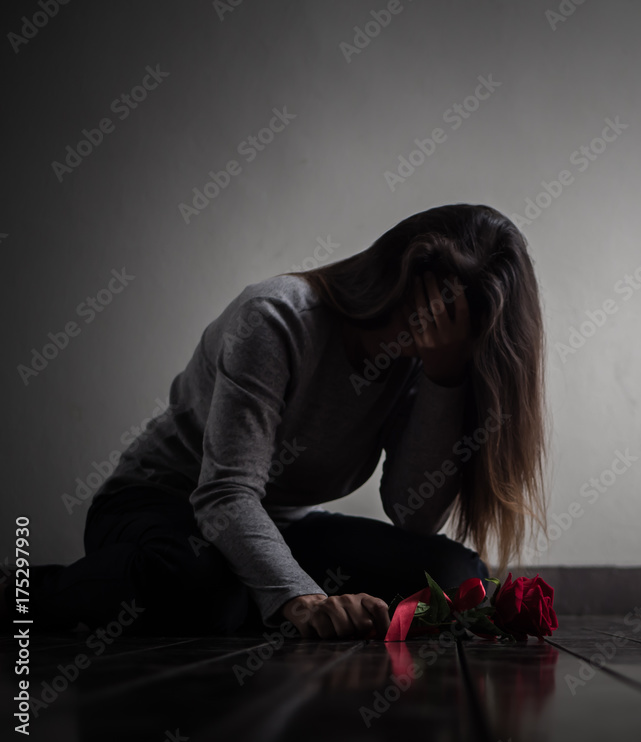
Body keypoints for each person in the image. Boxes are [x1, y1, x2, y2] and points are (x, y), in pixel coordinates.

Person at [3, 204, 548, 639]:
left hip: (279, 523)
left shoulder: (426, 365)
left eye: (450, 329)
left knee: (455, 577)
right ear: (394, 271)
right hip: (158, 504)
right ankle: (24, 592)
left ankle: (249, 594)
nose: (418, 336)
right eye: (420, 310)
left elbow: (413, 513)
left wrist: (443, 377)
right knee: (205, 588)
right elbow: (224, 494)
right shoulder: (275, 318)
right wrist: (300, 597)